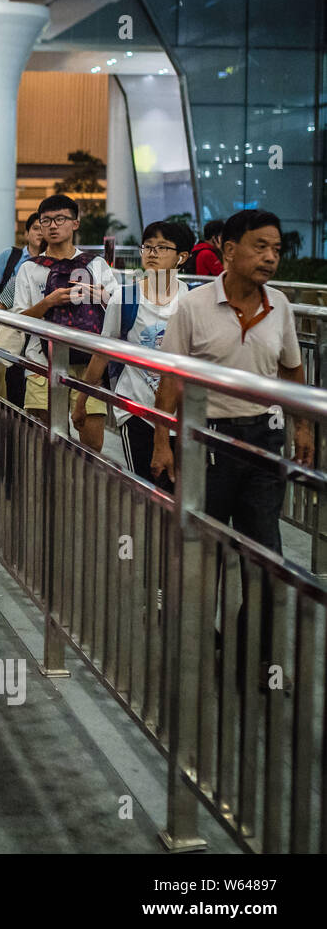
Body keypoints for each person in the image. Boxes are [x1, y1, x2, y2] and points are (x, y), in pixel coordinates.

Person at [151, 208, 312, 690]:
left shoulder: (280, 305)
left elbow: (291, 370)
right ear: (229, 250)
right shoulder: (194, 307)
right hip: (208, 443)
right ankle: (195, 650)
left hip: (264, 440)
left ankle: (256, 658)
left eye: (277, 249)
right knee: (205, 555)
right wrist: (163, 440)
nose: (269, 257)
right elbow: (171, 378)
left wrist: (301, 427)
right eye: (259, 247)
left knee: (264, 555)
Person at [72, 220, 193, 492]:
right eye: (147, 246)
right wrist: (82, 399)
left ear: (182, 257)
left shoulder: (193, 301)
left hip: (182, 415)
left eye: (162, 247)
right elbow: (103, 352)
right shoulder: (124, 298)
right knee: (147, 490)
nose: (152, 252)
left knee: (180, 496)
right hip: (136, 410)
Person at [14, 193, 119, 450]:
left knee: (92, 445)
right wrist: (47, 303)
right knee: (45, 444)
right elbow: (16, 320)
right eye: (45, 220)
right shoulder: (30, 268)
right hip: (42, 362)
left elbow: (118, 308)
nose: (52, 225)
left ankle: (84, 490)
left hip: (89, 365)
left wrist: (101, 296)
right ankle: (50, 490)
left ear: (75, 224)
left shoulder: (95, 264)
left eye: (60, 219)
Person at [0, 212, 45, 406]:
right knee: (5, 383)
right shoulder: (12, 258)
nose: (40, 233)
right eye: (35, 228)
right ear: (26, 234)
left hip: (37, 336)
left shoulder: (51, 265)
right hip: (10, 329)